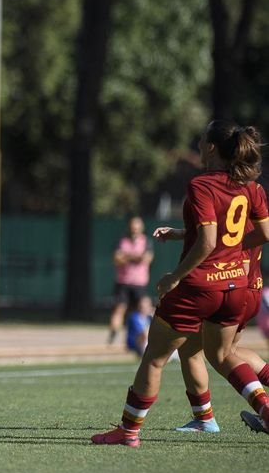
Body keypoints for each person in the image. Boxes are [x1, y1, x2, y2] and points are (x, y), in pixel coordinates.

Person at [92, 122, 269, 447]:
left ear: (212, 148)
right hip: (235, 288)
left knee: (156, 356)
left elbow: (208, 240)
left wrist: (175, 277)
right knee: (222, 354)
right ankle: (258, 409)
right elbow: (262, 233)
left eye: (201, 140)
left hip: (199, 287)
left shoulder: (202, 184)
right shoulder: (252, 186)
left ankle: (129, 432)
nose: (199, 144)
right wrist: (229, 251)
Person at [169, 215, 269, 434]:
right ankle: (204, 418)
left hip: (234, 289)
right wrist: (179, 233)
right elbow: (217, 235)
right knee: (227, 351)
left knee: (207, 353)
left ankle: (259, 409)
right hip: (250, 289)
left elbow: (231, 253)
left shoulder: (236, 207)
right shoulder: (250, 210)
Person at [107, 217, 153, 345]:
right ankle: (112, 338)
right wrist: (136, 257)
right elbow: (117, 258)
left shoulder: (146, 241)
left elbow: (147, 258)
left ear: (141, 228)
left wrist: (126, 256)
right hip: (123, 282)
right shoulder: (122, 241)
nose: (134, 229)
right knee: (119, 309)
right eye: (133, 226)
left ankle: (141, 338)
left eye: (137, 227)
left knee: (142, 310)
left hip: (140, 283)